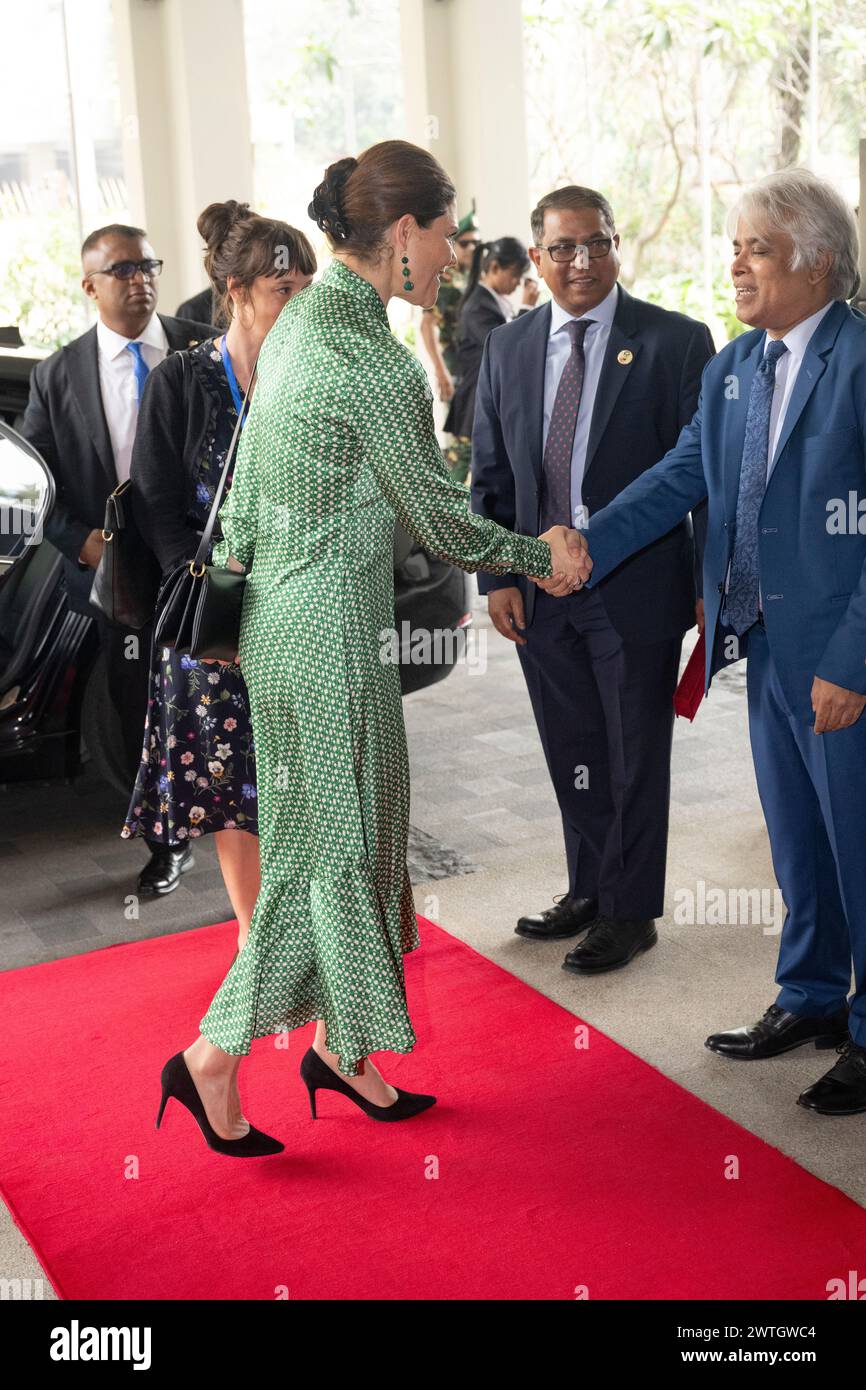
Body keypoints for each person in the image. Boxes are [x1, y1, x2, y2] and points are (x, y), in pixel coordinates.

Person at [157, 140, 587, 1157]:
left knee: (341, 845)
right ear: (401, 233)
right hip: (332, 640)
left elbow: (249, 499)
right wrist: (545, 554)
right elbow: (442, 524)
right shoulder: (369, 360)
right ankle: (212, 1055)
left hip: (278, 628)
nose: (452, 253)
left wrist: (237, 614)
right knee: (336, 853)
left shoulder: (299, 320)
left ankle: (343, 1051)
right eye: (444, 235)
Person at [570, 168, 866, 1115]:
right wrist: (581, 543)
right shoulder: (735, 366)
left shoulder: (860, 365)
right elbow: (677, 478)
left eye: (756, 247)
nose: (733, 263)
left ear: (817, 263)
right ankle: (813, 997)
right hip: (763, 645)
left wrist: (853, 663)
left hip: (839, 658)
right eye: (733, 244)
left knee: (859, 845)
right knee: (798, 840)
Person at [471, 186, 714, 973]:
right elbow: (492, 472)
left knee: (633, 749)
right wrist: (500, 576)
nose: (582, 261)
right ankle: (588, 887)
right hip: (539, 595)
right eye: (564, 247)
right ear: (536, 257)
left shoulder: (677, 342)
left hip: (637, 587)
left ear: (617, 245)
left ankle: (630, 909)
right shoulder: (508, 348)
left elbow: (701, 476)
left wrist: (713, 588)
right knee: (571, 740)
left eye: (597, 243)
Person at [122, 203, 315, 927]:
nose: (297, 305)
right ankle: (255, 938)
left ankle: (319, 928)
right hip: (215, 622)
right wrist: (203, 602)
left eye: (305, 288)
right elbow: (158, 503)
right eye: (281, 290)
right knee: (233, 786)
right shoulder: (180, 380)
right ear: (235, 290)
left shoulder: (312, 377)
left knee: (306, 780)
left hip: (302, 611)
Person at [19, 224, 214, 892]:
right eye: (122, 269)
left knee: (225, 690)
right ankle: (168, 841)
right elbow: (31, 485)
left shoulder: (201, 346)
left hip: (207, 557)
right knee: (141, 703)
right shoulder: (58, 375)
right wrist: (81, 540)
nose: (140, 279)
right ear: (90, 285)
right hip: (120, 571)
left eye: (148, 265)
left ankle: (248, 818)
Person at [443, 236, 536, 484]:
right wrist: (526, 308)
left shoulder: (492, 302)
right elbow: (504, 349)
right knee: (462, 469)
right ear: (494, 267)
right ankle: (448, 520)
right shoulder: (477, 307)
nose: (517, 283)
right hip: (475, 400)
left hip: (486, 397)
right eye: (515, 274)